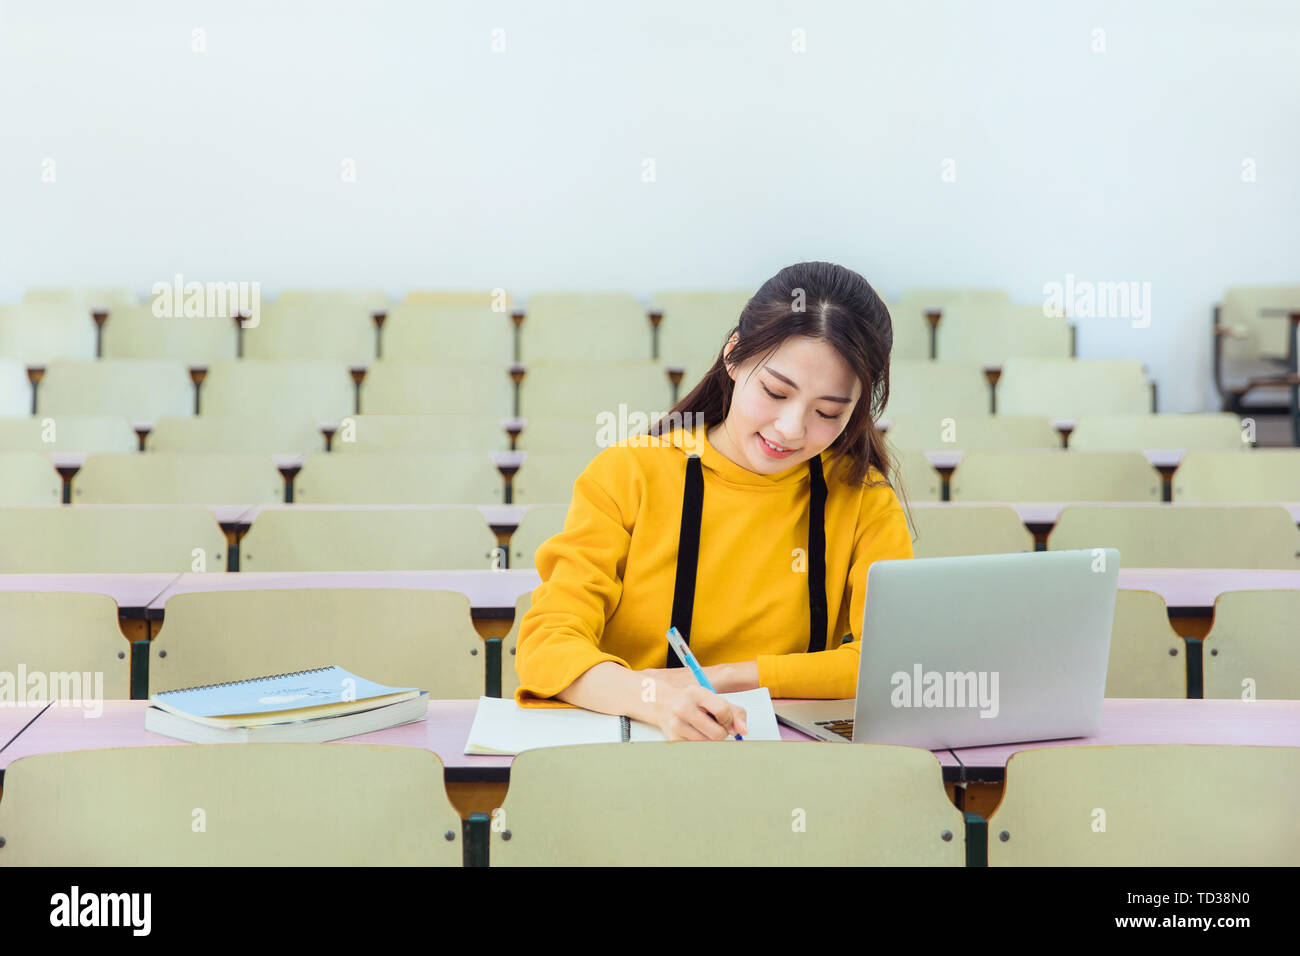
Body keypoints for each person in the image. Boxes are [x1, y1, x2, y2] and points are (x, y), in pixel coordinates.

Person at [514, 261, 914, 740]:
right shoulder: (630, 473)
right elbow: (547, 645)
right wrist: (655, 699)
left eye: (828, 412)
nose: (791, 429)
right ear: (733, 357)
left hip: (786, 773)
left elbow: (889, 666)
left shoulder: (864, 500)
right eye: (774, 391)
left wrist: (724, 677)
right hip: (630, 762)